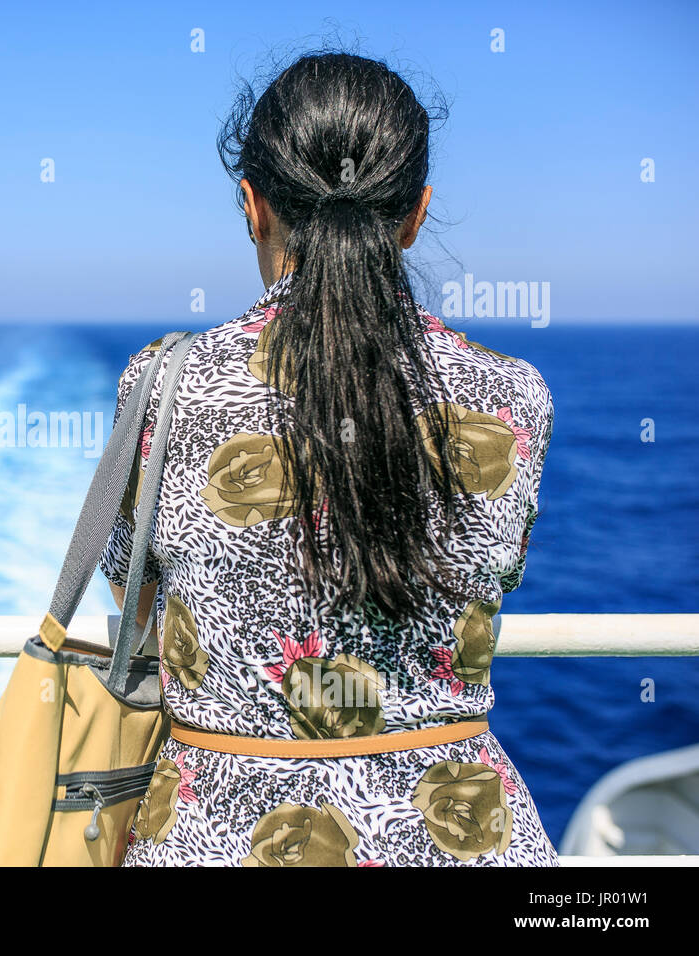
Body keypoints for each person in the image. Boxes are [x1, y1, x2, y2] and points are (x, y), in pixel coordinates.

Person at [104, 51, 558, 866]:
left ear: (253, 206)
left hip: (218, 837)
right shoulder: (513, 396)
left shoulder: (164, 383)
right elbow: (496, 581)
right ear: (416, 213)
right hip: (462, 835)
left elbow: (134, 598)